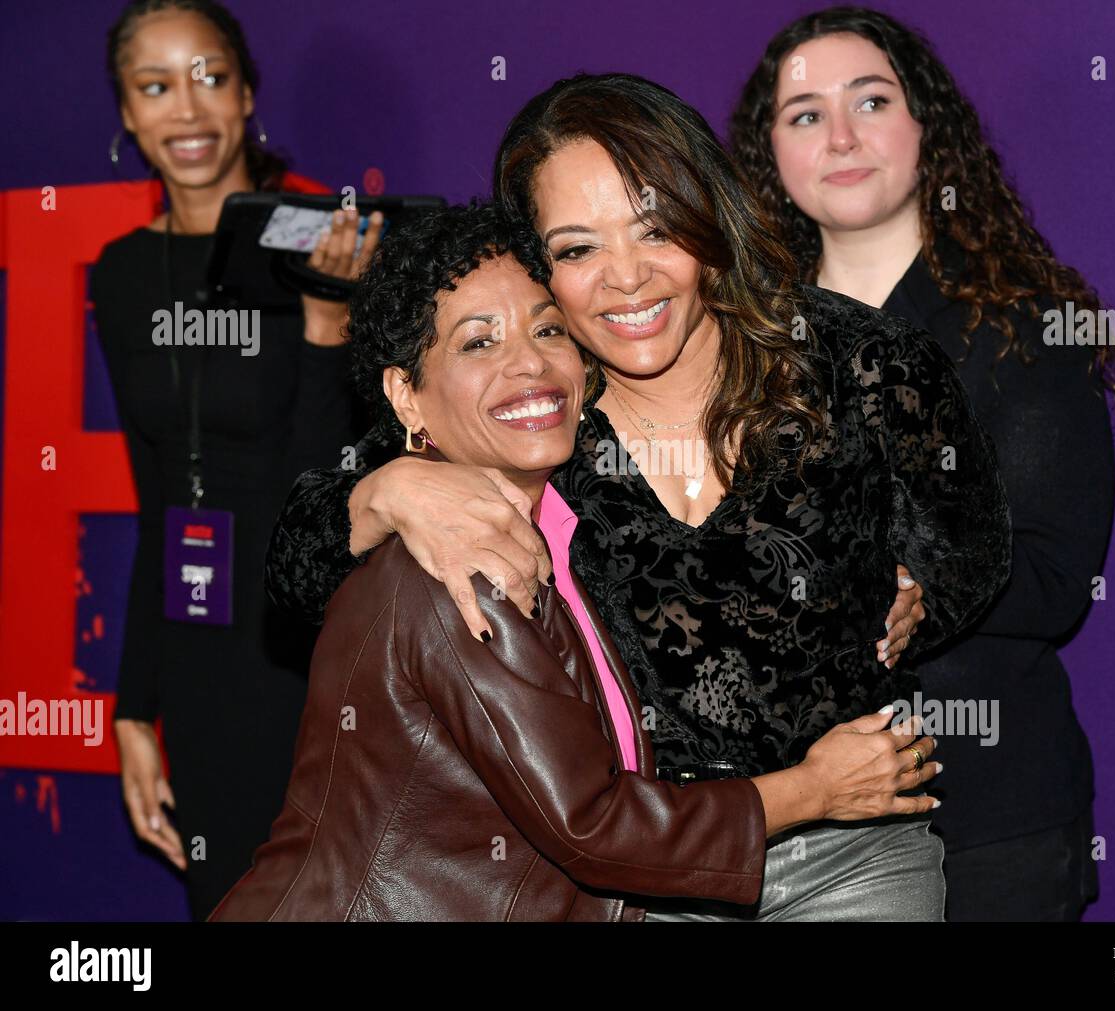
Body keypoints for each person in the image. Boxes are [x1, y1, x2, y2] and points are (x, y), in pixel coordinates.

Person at [264, 73, 1013, 921]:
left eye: (654, 229)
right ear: (541, 267)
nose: (625, 279)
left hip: (856, 849)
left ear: (708, 218)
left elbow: (976, 542)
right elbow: (295, 562)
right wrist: (394, 490)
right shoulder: (536, 416)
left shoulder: (857, 361)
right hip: (646, 877)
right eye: (578, 249)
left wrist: (919, 587)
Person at [729, 6, 1115, 920]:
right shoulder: (741, 347)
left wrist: (900, 581)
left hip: (985, 820)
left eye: (870, 100)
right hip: (791, 829)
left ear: (925, 131)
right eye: (803, 114)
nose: (839, 136)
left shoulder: (1019, 327)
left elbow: (1057, 575)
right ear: (771, 160)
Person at [93, 0, 377, 919]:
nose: (187, 108)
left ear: (247, 94)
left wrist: (329, 325)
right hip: (200, 648)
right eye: (156, 86)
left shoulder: (328, 240)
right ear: (129, 115)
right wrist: (136, 708)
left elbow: (331, 485)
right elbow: (156, 498)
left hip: (315, 643)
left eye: (210, 77)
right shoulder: (124, 274)